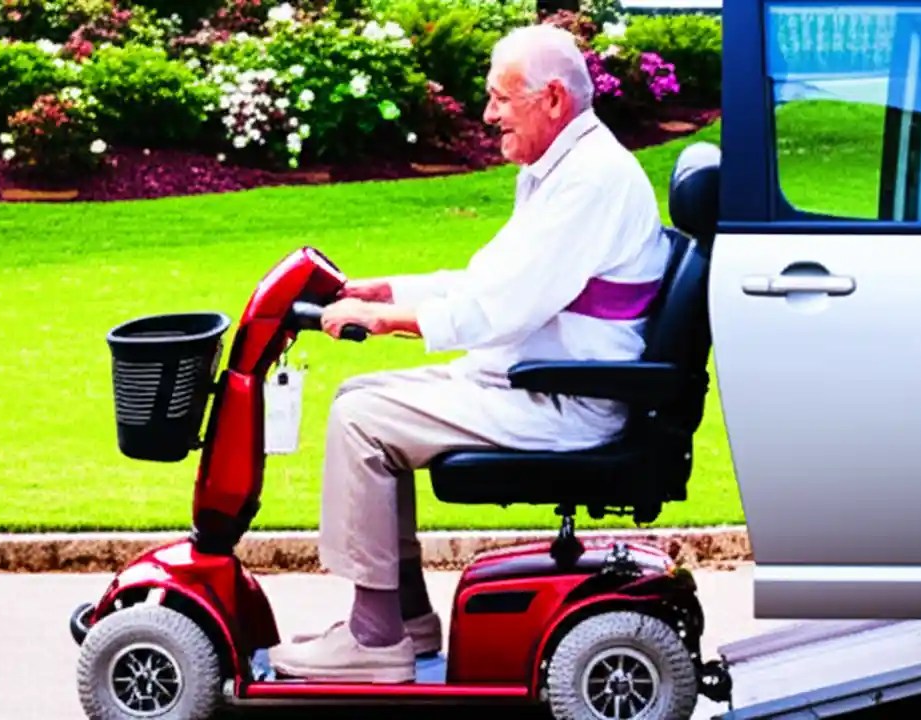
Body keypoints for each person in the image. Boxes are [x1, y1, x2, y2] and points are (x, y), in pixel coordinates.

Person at [267, 22, 670, 683]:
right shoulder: (560, 169)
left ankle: (374, 640)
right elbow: (494, 278)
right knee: (358, 400)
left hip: (563, 399)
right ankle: (409, 621)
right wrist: (390, 289)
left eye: (500, 99)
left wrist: (386, 320)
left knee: (363, 421)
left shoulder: (589, 182)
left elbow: (500, 307)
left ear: (552, 100)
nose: (487, 116)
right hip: (541, 381)